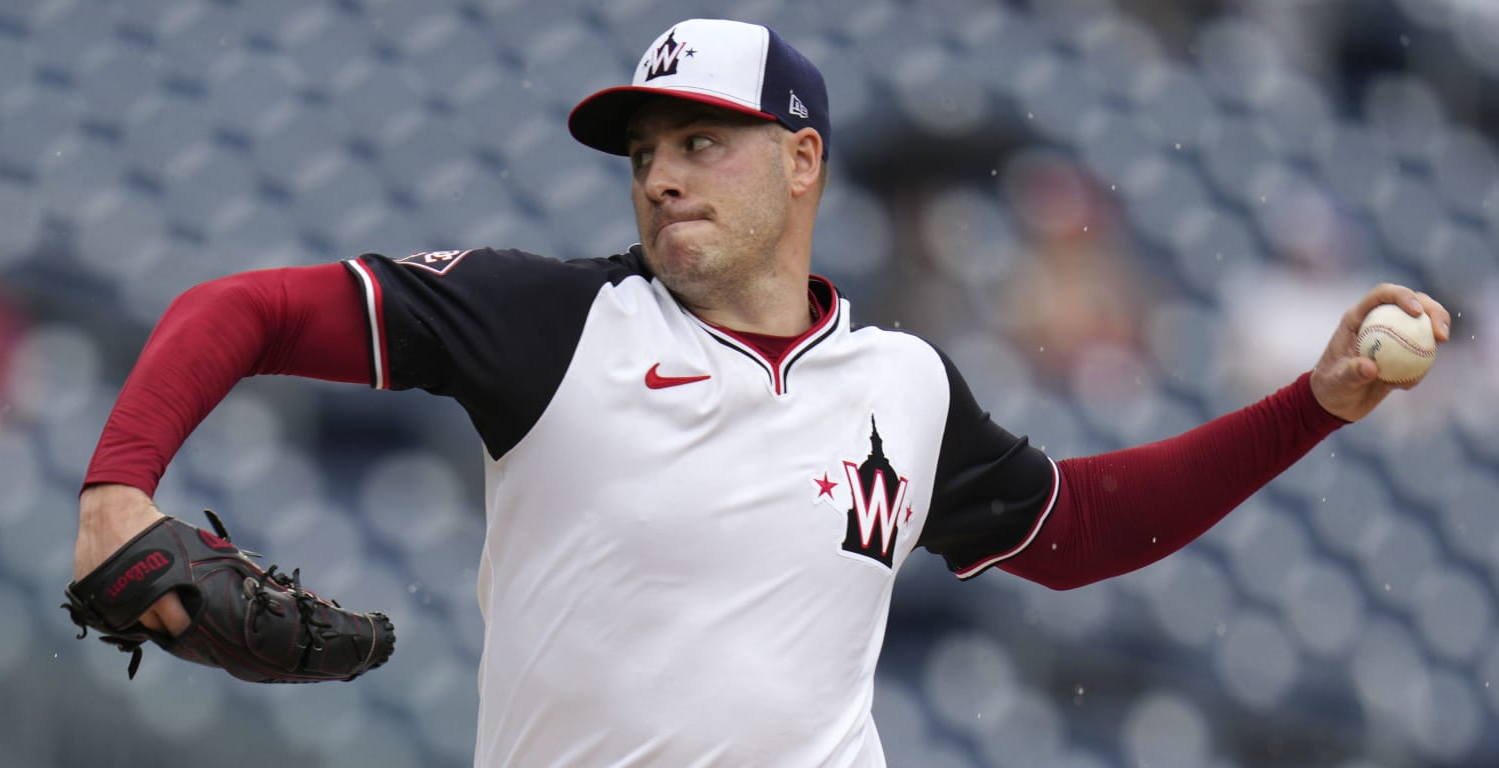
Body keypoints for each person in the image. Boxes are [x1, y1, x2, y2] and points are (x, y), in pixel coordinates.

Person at [72, 18, 1450, 767]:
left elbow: (1079, 532)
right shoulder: (548, 321)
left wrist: (1311, 408)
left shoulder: (900, 382)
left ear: (801, 164)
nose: (661, 172)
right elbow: (235, 309)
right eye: (644, 149)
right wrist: (119, 485)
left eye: (701, 143)